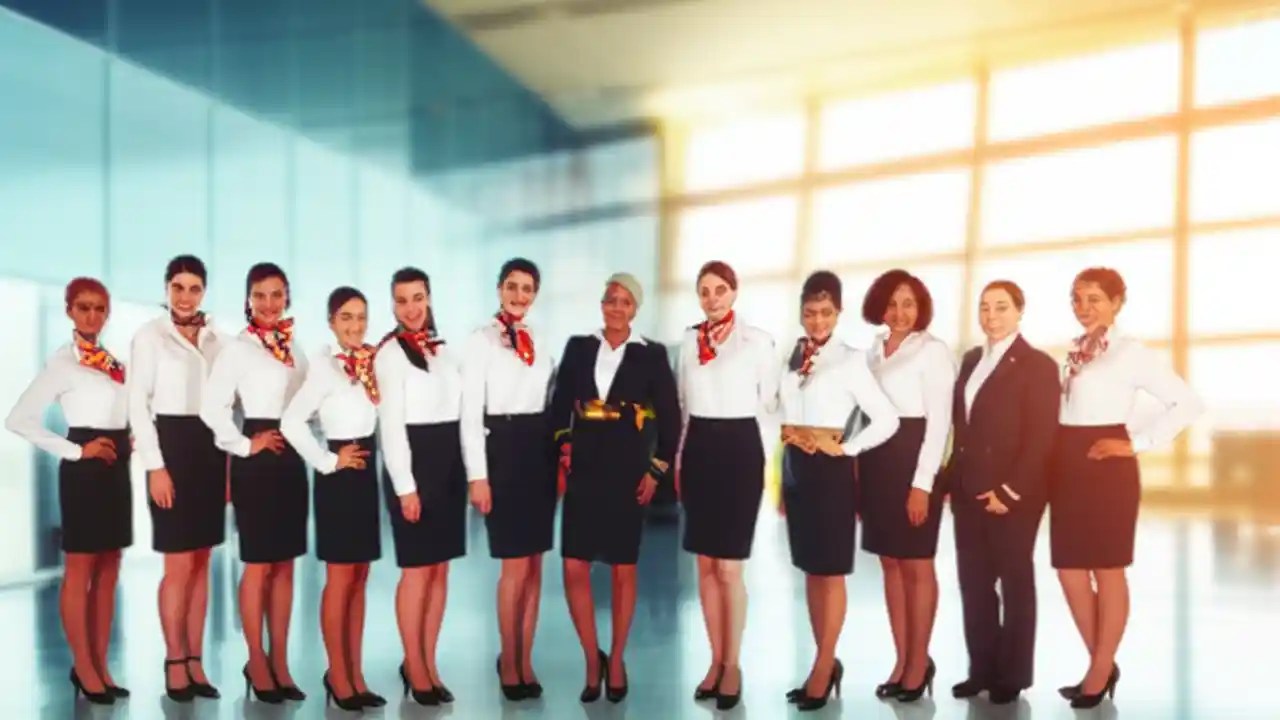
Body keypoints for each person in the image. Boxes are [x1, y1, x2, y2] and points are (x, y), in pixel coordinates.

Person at [1051, 267, 1202, 709]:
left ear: (1118, 302)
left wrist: (1135, 442)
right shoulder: (1076, 351)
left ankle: (1098, 670)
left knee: (1108, 570)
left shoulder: (1131, 352)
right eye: (1077, 299)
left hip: (1107, 470)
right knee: (1069, 571)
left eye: (1094, 298)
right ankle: (1103, 660)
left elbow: (1187, 402)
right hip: (1069, 467)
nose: (1084, 307)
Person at [548, 273, 681, 703]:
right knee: (573, 566)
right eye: (610, 299)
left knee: (624, 570)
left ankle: (618, 657)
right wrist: (564, 454)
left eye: (625, 301)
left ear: (635, 308)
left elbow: (671, 421)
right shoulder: (578, 346)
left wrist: (655, 471)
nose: (617, 307)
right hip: (584, 468)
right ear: (602, 303)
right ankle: (592, 657)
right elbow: (557, 408)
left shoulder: (651, 354)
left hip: (628, 471)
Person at [5, 277, 131, 706]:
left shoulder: (113, 363)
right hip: (84, 470)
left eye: (99, 308)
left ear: (107, 313)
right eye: (83, 307)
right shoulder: (63, 362)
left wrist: (128, 437)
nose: (92, 315)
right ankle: (83, 666)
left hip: (117, 467)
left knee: (110, 566)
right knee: (80, 568)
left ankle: (100, 663)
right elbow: (19, 419)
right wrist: (76, 451)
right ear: (69, 311)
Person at [778, 271, 900, 711]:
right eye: (809, 313)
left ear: (839, 313)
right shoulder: (793, 357)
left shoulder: (849, 360)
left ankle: (824, 665)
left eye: (826, 313)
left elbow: (886, 419)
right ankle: (823, 660)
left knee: (831, 573)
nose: (817, 321)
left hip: (831, 473)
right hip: (796, 470)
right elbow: (779, 409)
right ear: (800, 313)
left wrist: (847, 447)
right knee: (811, 571)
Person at [946, 280, 1059, 706]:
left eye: (1001, 307)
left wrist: (1009, 491)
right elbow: (964, 427)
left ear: (1020, 311)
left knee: (1014, 581)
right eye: (985, 307)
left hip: (1014, 493)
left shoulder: (1038, 366)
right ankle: (982, 670)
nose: (991, 316)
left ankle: (1012, 675)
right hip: (970, 489)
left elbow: (1041, 438)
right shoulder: (973, 359)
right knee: (973, 583)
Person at [200, 262, 308, 704]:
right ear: (248, 300)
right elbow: (212, 408)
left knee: (286, 565)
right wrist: (244, 444)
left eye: (277, 294)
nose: (269, 303)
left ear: (287, 298)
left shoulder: (293, 348)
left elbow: (309, 402)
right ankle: (256, 660)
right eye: (260, 295)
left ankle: (281, 661)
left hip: (291, 461)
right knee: (259, 565)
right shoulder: (238, 350)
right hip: (257, 460)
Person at [678, 260, 779, 710]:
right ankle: (714, 661)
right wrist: (681, 459)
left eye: (720, 290)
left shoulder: (758, 343)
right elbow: (682, 406)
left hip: (740, 451)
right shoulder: (687, 341)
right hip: (698, 450)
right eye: (704, 291)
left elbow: (772, 404)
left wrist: (770, 460)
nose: (712, 298)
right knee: (704, 566)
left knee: (730, 568)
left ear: (734, 293)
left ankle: (733, 664)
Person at [280, 287, 384, 711]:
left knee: (360, 578)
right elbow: (291, 422)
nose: (355, 326)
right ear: (330, 322)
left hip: (367, 475)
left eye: (360, 317)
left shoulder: (372, 364)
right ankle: (336, 674)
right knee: (340, 580)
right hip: (339, 480)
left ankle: (356, 673)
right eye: (346, 318)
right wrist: (326, 460)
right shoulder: (324, 369)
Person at [127, 255, 225, 701]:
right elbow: (137, 405)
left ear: (204, 291)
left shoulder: (216, 337)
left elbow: (225, 406)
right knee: (178, 564)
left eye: (194, 288)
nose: (186, 297)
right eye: (178, 287)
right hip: (170, 447)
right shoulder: (150, 336)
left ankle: (196, 660)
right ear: (166, 288)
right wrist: (155, 466)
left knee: (203, 560)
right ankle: (173, 659)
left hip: (210, 449)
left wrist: (227, 467)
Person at [461, 257, 557, 701]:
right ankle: (508, 656)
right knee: (513, 566)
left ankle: (526, 657)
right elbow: (469, 414)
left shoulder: (541, 340)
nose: (520, 296)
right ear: (499, 288)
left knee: (535, 564)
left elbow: (552, 401)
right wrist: (477, 476)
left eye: (527, 289)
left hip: (538, 449)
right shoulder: (480, 342)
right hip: (501, 450)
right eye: (512, 287)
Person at [857, 269, 956, 702]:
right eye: (893, 303)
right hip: (876, 463)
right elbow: (860, 412)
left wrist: (923, 485)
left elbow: (940, 424)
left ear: (922, 308)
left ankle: (920, 660)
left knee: (917, 564)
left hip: (914, 461)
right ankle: (901, 658)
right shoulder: (872, 351)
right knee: (890, 565)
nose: (900, 313)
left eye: (909, 304)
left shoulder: (932, 351)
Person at [375, 267, 467, 707]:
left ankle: (429, 661)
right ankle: (413, 665)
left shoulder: (445, 351)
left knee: (440, 570)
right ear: (393, 306)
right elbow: (390, 426)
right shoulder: (389, 354)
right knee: (415, 571)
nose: (411, 308)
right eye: (402, 300)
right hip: (412, 463)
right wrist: (405, 487)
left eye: (417, 298)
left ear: (429, 298)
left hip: (449, 466)